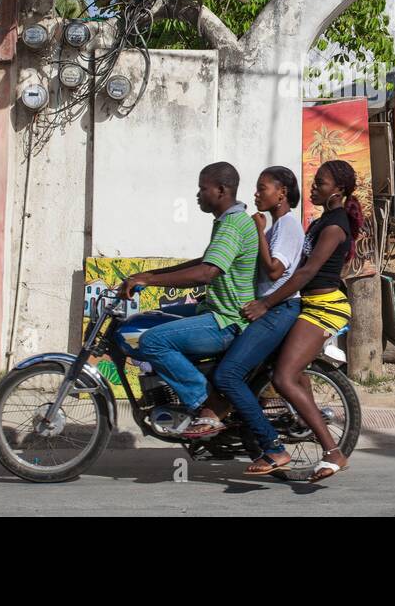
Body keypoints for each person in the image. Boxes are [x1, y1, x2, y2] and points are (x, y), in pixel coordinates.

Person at [239, 160, 360, 481]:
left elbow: (306, 272)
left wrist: (267, 303)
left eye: (321, 183)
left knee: (283, 376)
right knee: (282, 366)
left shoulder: (335, 226)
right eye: (314, 182)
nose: (313, 188)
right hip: (308, 303)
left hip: (324, 307)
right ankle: (303, 418)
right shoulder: (322, 222)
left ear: (339, 189)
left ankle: (333, 452)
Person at [119, 162, 258, 431]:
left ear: (220, 190)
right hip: (214, 311)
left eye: (202, 188)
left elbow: (205, 273)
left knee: (153, 341)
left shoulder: (232, 225)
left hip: (227, 320)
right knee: (148, 318)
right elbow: (203, 261)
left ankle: (208, 400)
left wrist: (150, 280)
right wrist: (146, 276)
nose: (197, 195)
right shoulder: (228, 221)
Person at [179, 167, 305, 454]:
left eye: (263, 188)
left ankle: (271, 446)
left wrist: (258, 231)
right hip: (263, 307)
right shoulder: (276, 227)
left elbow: (274, 271)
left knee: (228, 375)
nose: (256, 194)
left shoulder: (288, 227)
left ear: (281, 193)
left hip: (276, 309)